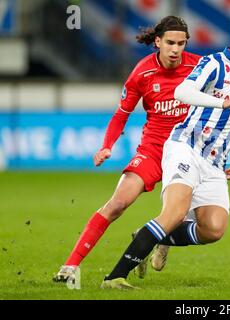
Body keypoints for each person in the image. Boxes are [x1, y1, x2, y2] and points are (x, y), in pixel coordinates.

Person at [101, 8, 230, 289]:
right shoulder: (213, 63)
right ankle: (115, 277)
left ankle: (148, 237)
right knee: (174, 213)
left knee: (213, 229)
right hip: (186, 147)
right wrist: (223, 101)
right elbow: (182, 92)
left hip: (215, 161)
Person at [53, 16, 202, 282]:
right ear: (157, 42)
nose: (175, 49)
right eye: (170, 42)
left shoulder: (199, 66)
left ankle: (160, 236)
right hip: (154, 149)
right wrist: (106, 146)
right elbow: (121, 114)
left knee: (188, 213)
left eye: (181, 43)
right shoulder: (142, 72)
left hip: (189, 150)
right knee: (118, 203)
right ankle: (70, 266)